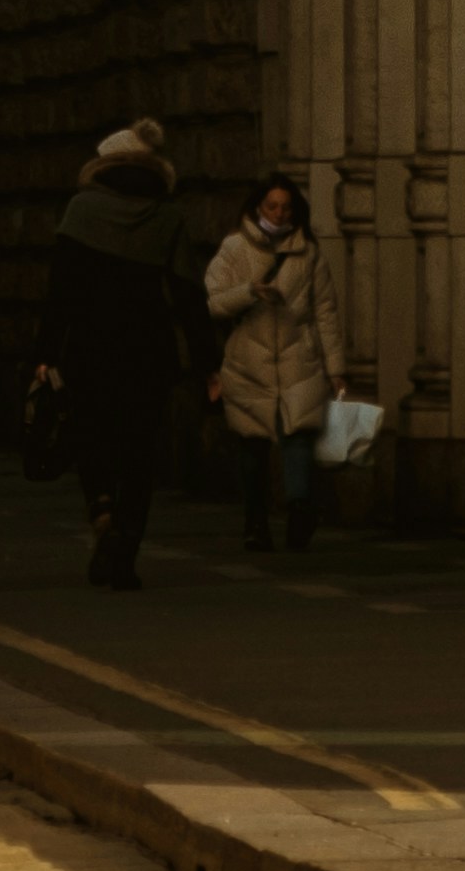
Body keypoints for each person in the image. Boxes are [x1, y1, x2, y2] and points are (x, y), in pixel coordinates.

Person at [36, 121, 199, 589]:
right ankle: (125, 551)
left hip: (89, 347)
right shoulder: (168, 217)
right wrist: (208, 363)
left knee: (94, 438)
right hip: (148, 351)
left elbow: (60, 290)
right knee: (139, 453)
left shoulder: (81, 210)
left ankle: (102, 510)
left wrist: (44, 352)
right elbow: (188, 294)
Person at [205, 171, 345, 554]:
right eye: (273, 206)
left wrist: (336, 370)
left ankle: (299, 509)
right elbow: (213, 301)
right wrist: (249, 292)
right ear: (258, 207)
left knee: (298, 437)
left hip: (300, 357)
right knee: (252, 445)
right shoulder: (235, 248)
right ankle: (255, 521)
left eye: (286, 207)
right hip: (249, 360)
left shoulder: (308, 252)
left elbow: (326, 312)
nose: (280, 213)